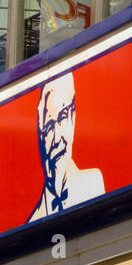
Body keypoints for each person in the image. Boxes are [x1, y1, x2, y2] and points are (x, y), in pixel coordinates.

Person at [28, 72, 105, 220]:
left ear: (73, 118)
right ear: (41, 139)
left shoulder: (95, 183)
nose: (57, 138)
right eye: (49, 127)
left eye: (63, 117)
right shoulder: (34, 220)